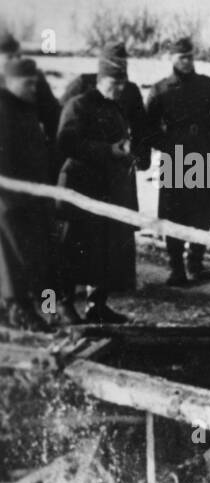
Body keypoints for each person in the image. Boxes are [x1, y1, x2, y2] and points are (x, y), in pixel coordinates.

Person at [144, 36, 210, 286]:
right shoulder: (161, 89)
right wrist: (167, 144)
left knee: (204, 212)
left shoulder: (207, 85)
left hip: (205, 156)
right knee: (173, 213)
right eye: (181, 57)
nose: (186, 62)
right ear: (172, 59)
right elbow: (147, 127)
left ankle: (195, 264)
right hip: (175, 159)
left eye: (189, 56)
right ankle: (176, 269)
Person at [56, 57, 138, 323]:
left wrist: (127, 152)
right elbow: (66, 142)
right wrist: (108, 150)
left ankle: (97, 305)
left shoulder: (116, 108)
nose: (121, 88)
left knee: (103, 249)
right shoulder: (78, 104)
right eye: (115, 82)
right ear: (101, 80)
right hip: (79, 186)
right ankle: (64, 305)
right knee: (72, 247)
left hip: (107, 188)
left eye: (123, 82)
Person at [0, 58, 56, 331]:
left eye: (35, 82)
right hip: (8, 201)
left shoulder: (26, 109)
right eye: (28, 83)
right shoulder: (3, 110)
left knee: (34, 257)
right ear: (10, 81)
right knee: (13, 257)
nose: (34, 88)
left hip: (31, 196)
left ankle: (34, 310)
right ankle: (19, 311)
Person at [0, 29, 61, 143]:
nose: (17, 61)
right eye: (10, 57)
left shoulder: (34, 79)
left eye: (19, 56)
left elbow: (53, 118)